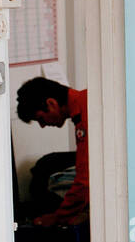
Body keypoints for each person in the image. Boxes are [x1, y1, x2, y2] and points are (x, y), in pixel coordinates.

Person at [16, 77, 89, 227]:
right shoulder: (86, 100)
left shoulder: (85, 117)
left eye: (40, 119)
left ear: (51, 103)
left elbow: (85, 180)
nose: (42, 126)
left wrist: (58, 218)